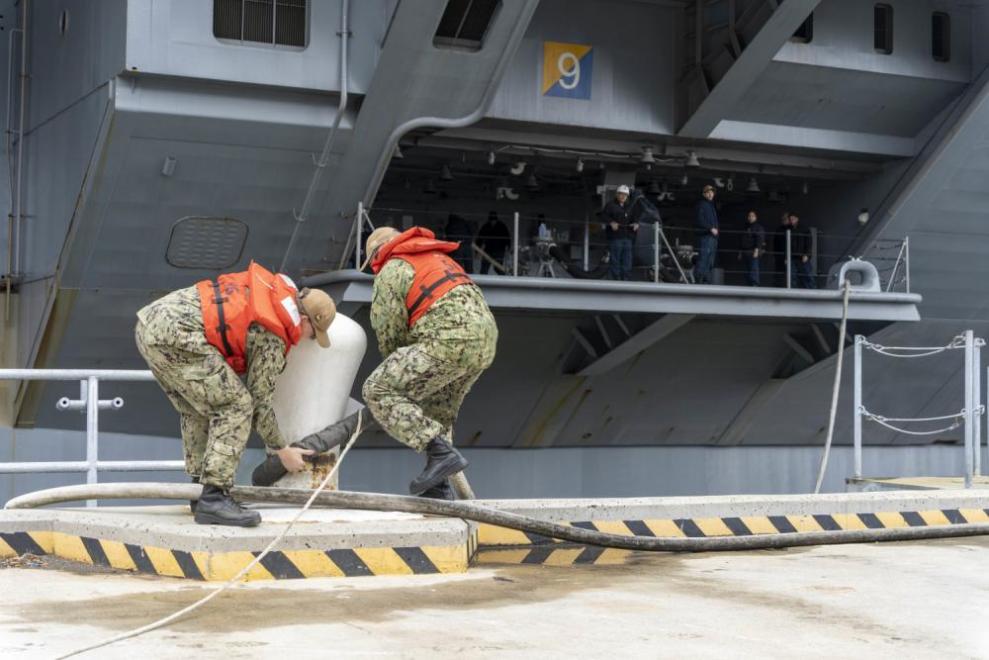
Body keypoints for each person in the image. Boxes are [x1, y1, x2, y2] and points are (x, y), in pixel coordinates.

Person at [135, 262, 336, 526]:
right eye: (314, 334)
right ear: (307, 320)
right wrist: (282, 449)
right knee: (237, 406)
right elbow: (259, 402)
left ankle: (200, 492)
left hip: (149, 326)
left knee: (199, 409)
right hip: (179, 335)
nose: (307, 339)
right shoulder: (275, 332)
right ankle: (214, 498)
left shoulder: (272, 295)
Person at [359, 226, 498, 499]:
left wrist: (400, 375)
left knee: (377, 390)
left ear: (376, 254)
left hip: (447, 340)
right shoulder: (439, 258)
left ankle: (440, 454)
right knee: (439, 411)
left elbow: (389, 332)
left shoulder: (392, 268)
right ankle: (439, 486)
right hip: (484, 342)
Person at [601, 185, 637, 280]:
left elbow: (634, 218)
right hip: (615, 237)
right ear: (617, 194)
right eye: (621, 194)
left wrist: (636, 224)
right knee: (615, 259)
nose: (623, 196)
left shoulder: (629, 207)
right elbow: (603, 216)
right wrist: (611, 222)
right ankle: (615, 280)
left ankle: (626, 280)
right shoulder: (610, 205)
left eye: (625, 195)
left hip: (627, 237)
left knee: (627, 260)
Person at [694, 185, 719, 284]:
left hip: (713, 237)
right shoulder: (701, 205)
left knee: (710, 261)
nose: (710, 194)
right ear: (704, 194)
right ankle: (699, 281)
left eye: (712, 192)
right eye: (708, 192)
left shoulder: (711, 206)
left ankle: (705, 281)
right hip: (705, 236)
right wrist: (710, 228)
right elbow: (699, 220)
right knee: (703, 258)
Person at [789, 213, 816, 289]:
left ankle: (812, 291)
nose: (791, 221)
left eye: (793, 219)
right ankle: (793, 293)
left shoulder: (805, 229)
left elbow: (809, 242)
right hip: (793, 256)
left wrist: (807, 254)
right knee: (792, 276)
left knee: (807, 275)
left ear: (797, 219)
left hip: (803, 256)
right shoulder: (790, 229)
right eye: (790, 219)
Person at [740, 210, 766, 286]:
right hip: (745, 252)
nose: (750, 217)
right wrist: (740, 252)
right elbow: (742, 239)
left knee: (754, 269)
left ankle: (755, 286)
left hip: (753, 251)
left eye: (752, 216)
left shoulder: (758, 227)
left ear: (756, 217)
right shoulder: (745, 227)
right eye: (749, 216)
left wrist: (757, 250)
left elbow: (760, 239)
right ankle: (748, 285)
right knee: (746, 270)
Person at [773, 211, 791, 287]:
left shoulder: (792, 228)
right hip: (779, 255)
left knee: (790, 273)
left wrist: (787, 257)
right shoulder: (778, 229)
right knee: (779, 273)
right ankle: (778, 287)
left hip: (790, 255)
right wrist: (775, 255)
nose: (784, 220)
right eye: (783, 219)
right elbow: (775, 243)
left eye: (785, 219)